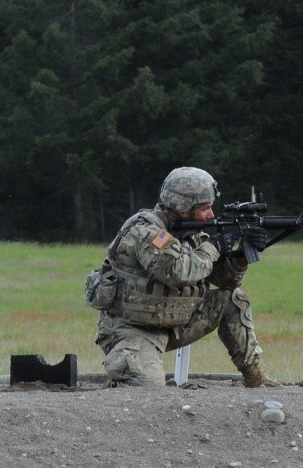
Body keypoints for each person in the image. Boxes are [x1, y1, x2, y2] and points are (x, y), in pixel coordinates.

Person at [85, 166, 279, 388]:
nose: (211, 215)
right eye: (205, 208)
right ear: (184, 208)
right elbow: (176, 271)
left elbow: (224, 281)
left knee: (233, 299)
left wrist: (241, 256)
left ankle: (255, 377)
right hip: (132, 328)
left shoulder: (193, 233)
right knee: (146, 388)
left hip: (175, 321)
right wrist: (214, 246)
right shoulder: (145, 231)